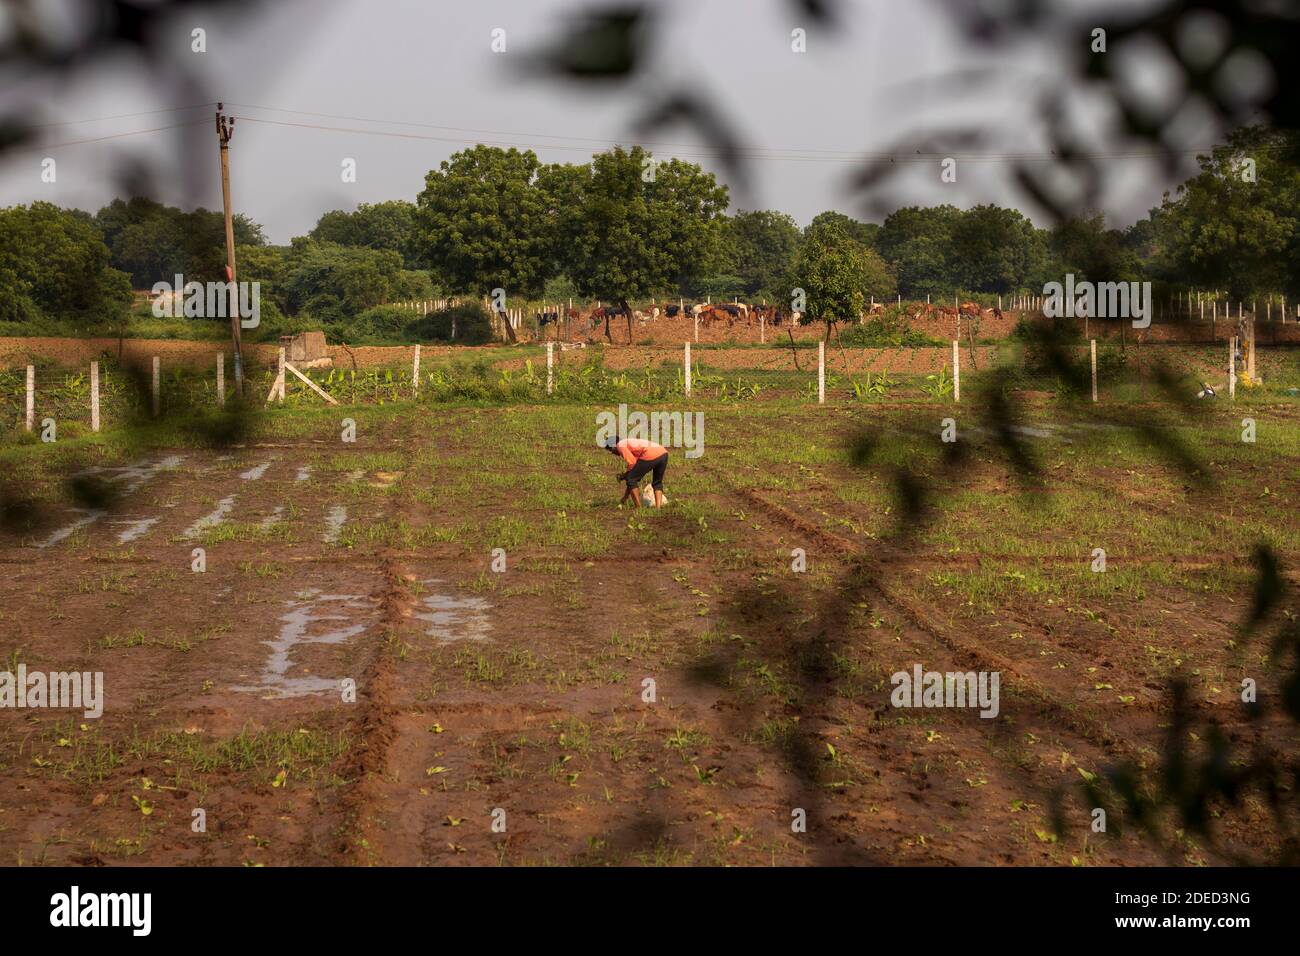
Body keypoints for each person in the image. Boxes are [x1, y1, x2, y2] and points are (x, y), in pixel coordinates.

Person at [602, 436, 668, 508]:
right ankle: (658, 509)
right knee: (657, 482)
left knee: (631, 479)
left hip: (650, 454)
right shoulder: (628, 443)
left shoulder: (620, 445)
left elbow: (632, 464)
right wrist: (625, 497)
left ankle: (638, 508)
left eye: (611, 450)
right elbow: (633, 471)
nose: (613, 453)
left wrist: (625, 475)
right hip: (663, 453)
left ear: (613, 446)